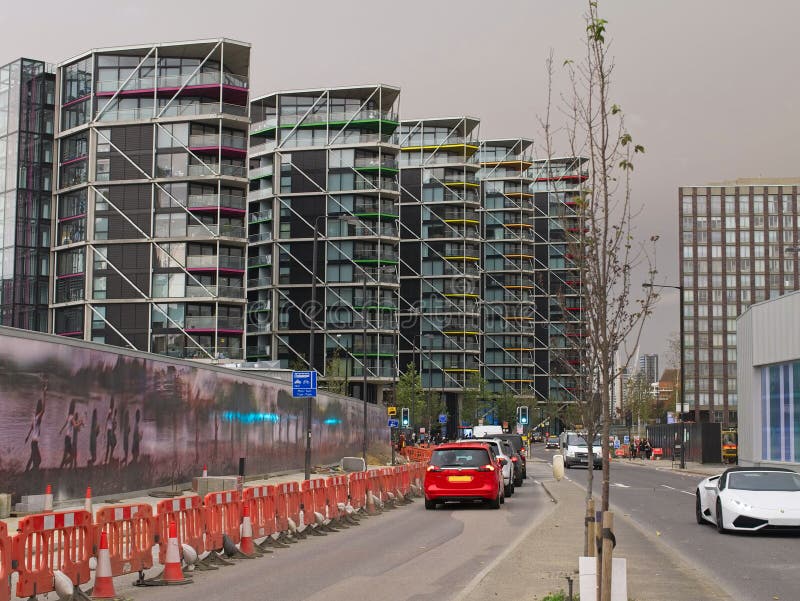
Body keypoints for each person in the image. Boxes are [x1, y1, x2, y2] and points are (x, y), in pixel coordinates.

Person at [24, 378, 47, 472]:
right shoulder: (37, 418)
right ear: (40, 408)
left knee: (32, 458)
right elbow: (44, 410)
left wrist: (27, 436)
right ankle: (30, 472)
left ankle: (27, 472)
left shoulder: (34, 417)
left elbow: (31, 428)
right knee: (38, 460)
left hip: (33, 442)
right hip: (34, 443)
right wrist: (45, 395)